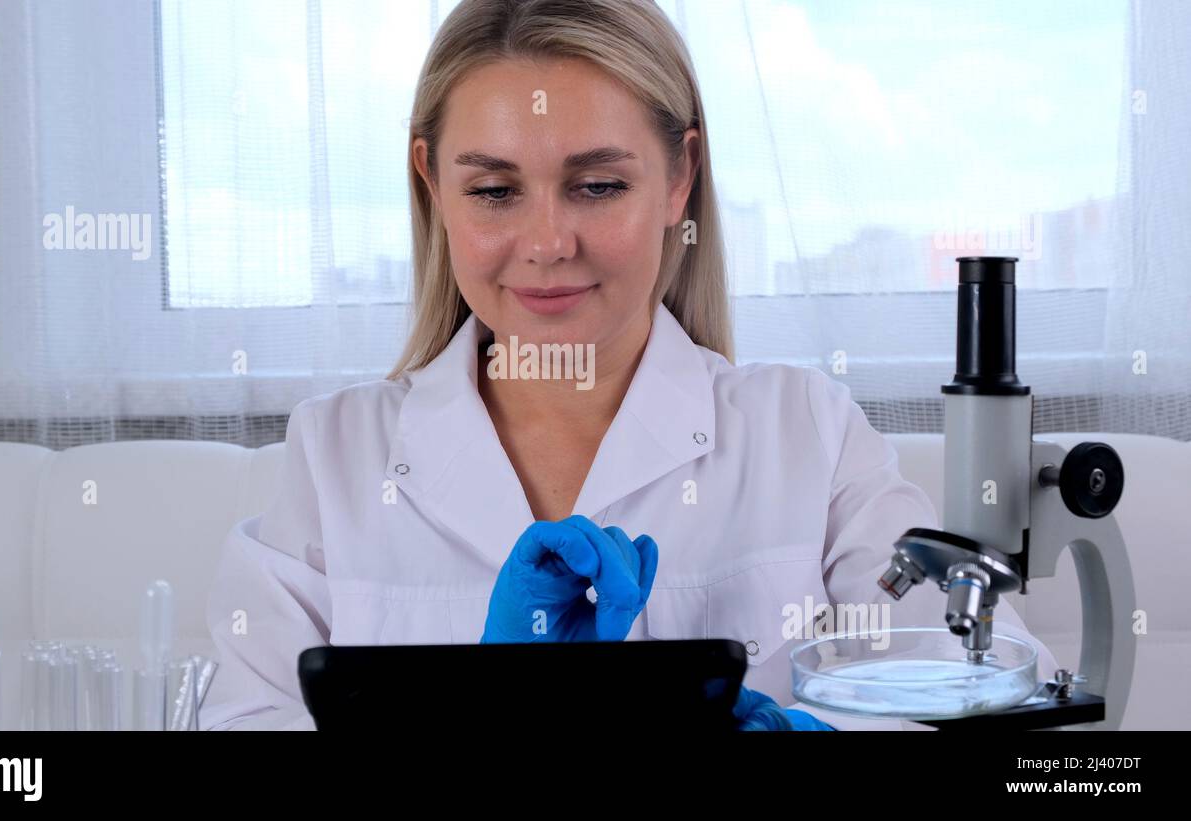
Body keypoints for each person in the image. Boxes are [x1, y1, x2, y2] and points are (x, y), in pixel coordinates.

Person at [200, 0, 1058, 731]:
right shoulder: (334, 456)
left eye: (598, 186)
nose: (547, 244)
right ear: (431, 183)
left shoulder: (809, 436)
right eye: (495, 191)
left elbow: (993, 702)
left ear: (680, 177)